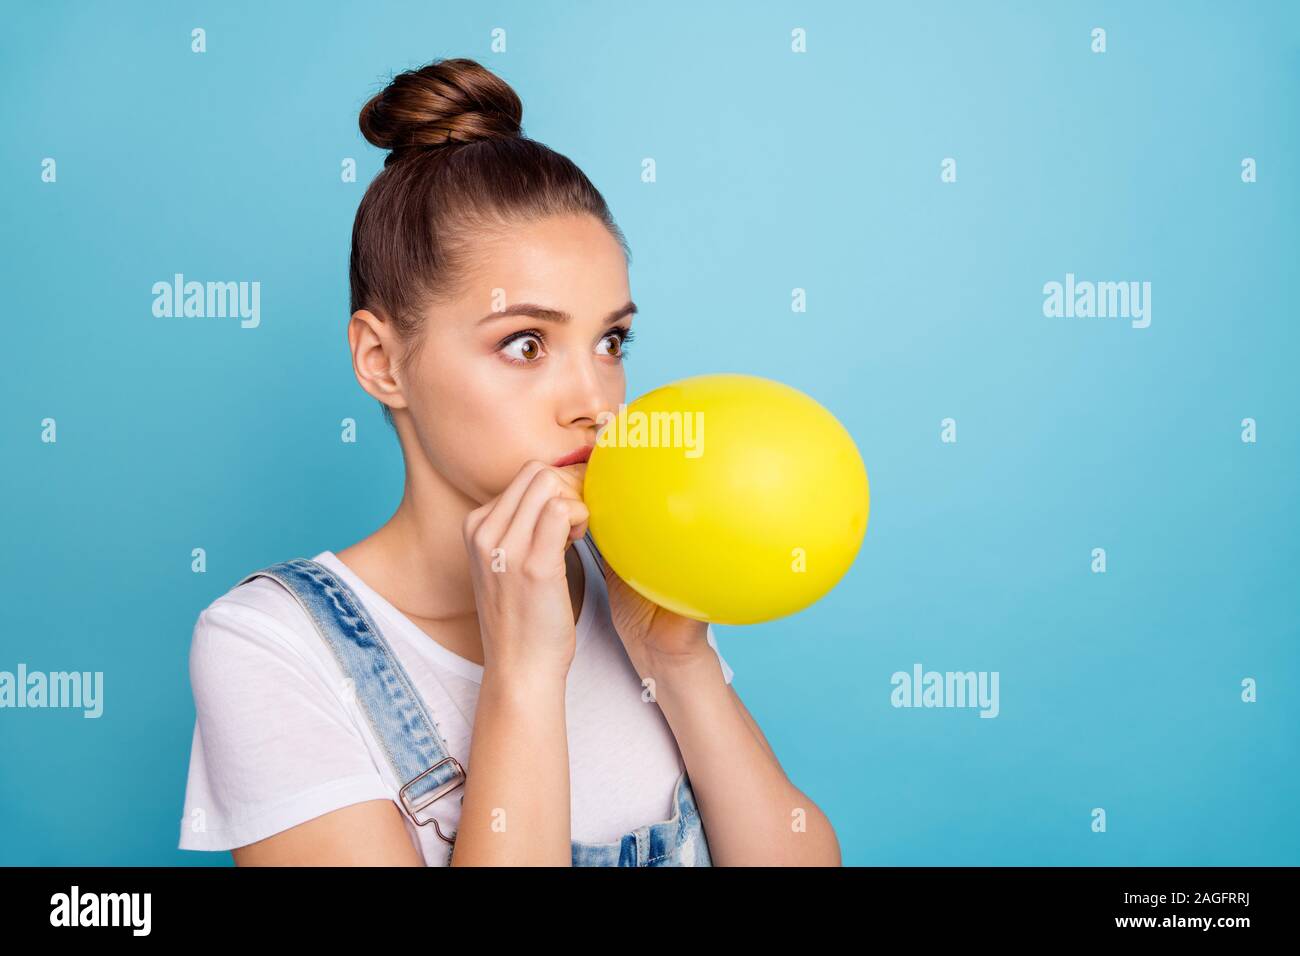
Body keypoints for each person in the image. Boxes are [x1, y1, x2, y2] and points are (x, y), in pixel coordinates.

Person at [177, 56, 841, 866]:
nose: (596, 402)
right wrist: (523, 676)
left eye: (611, 341)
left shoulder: (634, 583)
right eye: (525, 344)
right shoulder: (272, 646)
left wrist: (679, 660)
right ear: (383, 361)